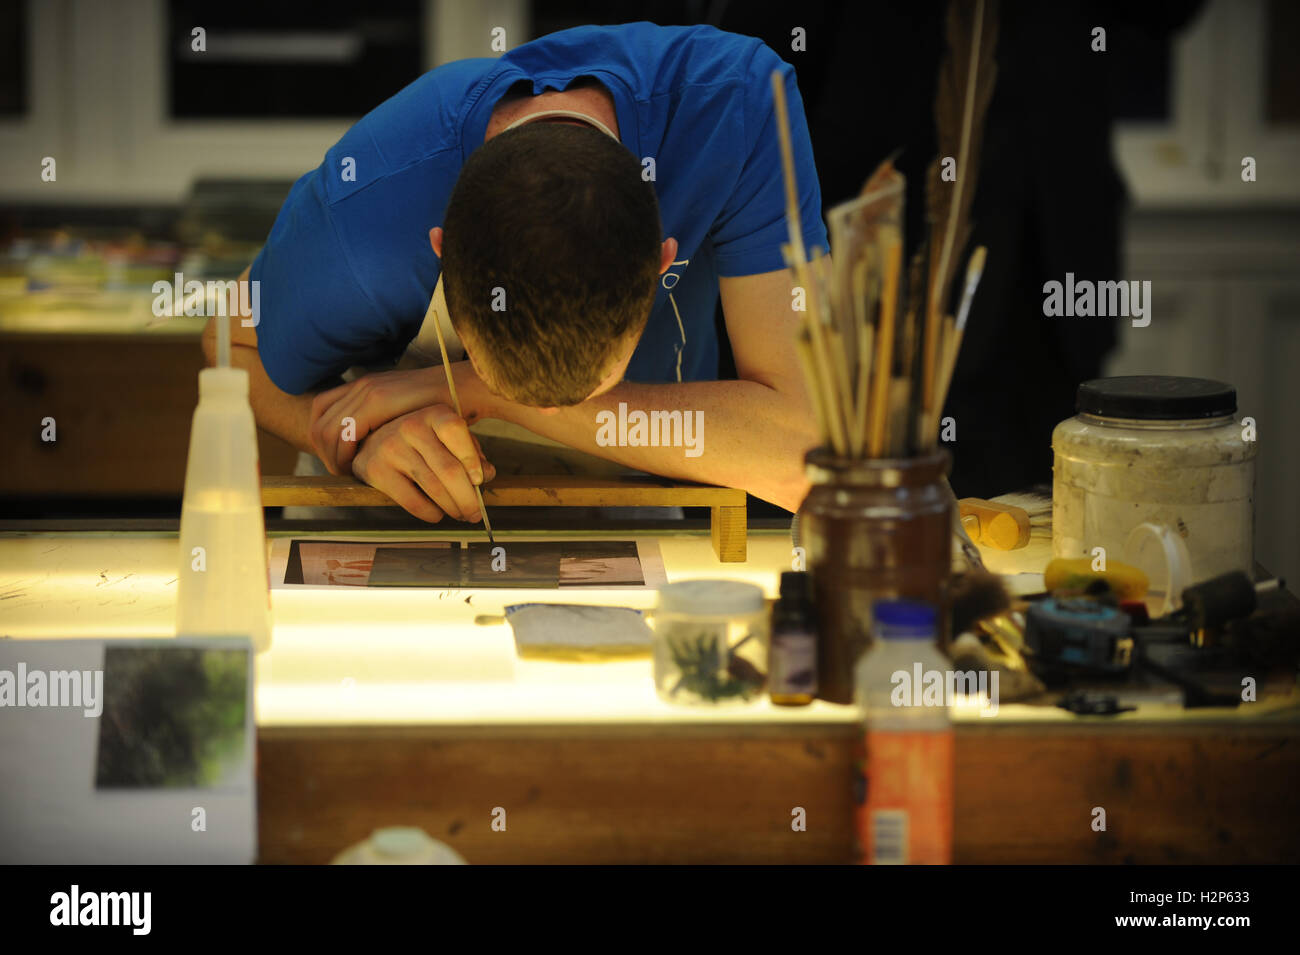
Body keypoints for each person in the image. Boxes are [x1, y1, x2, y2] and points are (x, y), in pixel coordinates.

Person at [201, 22, 827, 525]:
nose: (544, 411)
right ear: (441, 251)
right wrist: (357, 441)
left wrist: (464, 388)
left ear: (662, 262)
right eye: (509, 386)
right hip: (393, 519)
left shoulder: (739, 105)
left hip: (639, 511)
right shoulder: (365, 211)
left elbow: (807, 461)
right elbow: (228, 347)